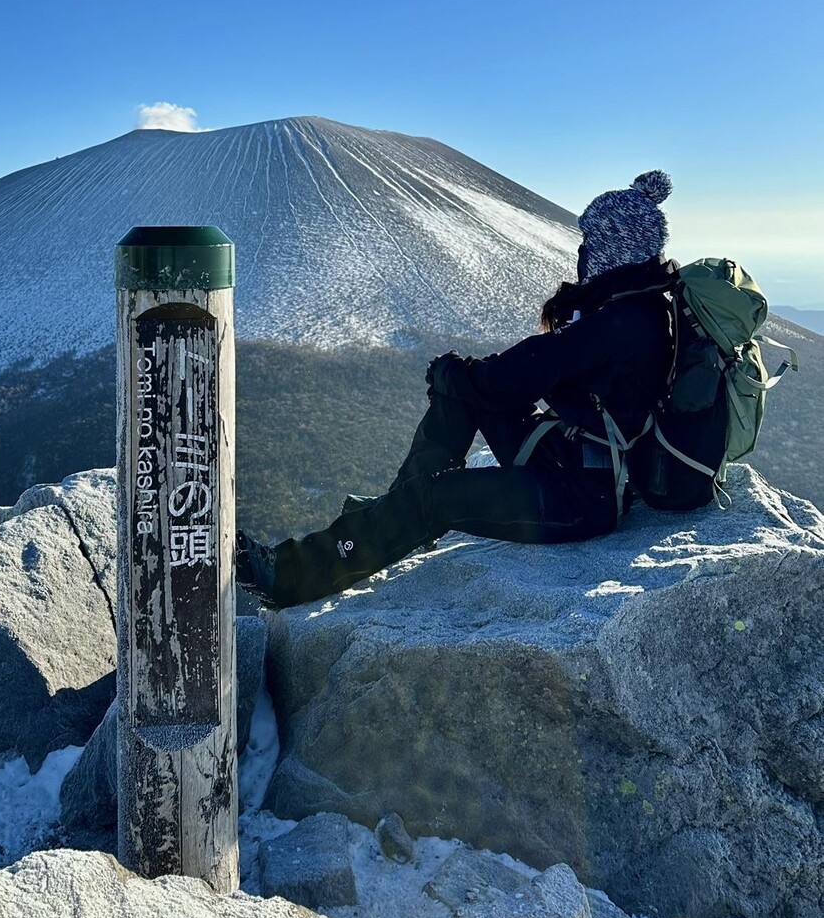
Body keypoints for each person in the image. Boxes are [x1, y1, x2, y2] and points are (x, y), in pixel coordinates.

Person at [236, 170, 678, 610]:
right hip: (572, 462)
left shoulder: (621, 323)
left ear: (614, 247)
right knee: (461, 395)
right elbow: (527, 369)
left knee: (436, 495)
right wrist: (461, 378)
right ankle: (397, 509)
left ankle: (290, 575)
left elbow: (523, 371)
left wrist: (451, 373)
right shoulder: (638, 307)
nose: (583, 251)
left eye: (590, 242)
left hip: (577, 497)